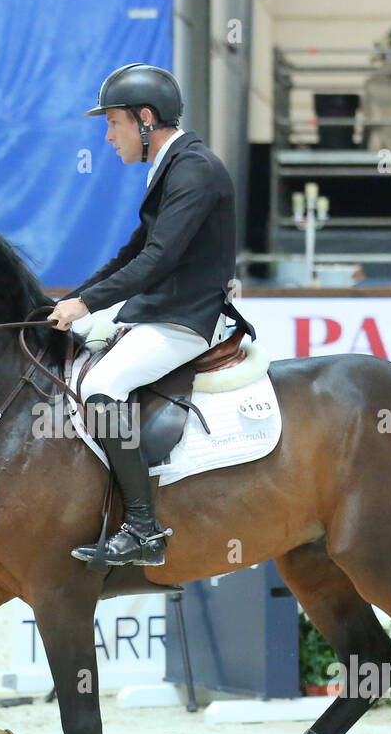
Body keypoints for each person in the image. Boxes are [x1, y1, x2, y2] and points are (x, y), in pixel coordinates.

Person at [47, 62, 252, 568]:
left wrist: (87, 304)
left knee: (101, 388)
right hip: (158, 311)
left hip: (186, 319)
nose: (108, 137)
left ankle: (143, 529)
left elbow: (156, 260)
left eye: (113, 123)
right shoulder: (172, 168)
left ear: (144, 118)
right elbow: (129, 254)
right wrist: (69, 301)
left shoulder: (194, 170)